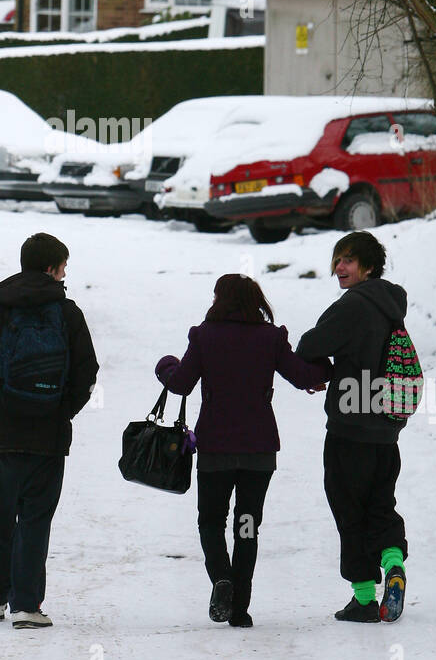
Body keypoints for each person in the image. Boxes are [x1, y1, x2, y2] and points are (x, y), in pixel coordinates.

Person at [155, 275, 329, 627]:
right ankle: (240, 608)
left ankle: (221, 578)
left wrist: (166, 365)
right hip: (259, 452)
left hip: (216, 450)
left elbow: (181, 383)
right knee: (247, 525)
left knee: (211, 521)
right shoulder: (270, 338)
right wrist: (325, 369)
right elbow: (302, 376)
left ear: (219, 299)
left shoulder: (204, 336)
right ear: (255, 301)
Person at [0, 232, 98, 629]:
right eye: (64, 267)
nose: (65, 275)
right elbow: (87, 372)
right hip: (49, 436)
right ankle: (26, 604)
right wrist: (61, 410)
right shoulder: (69, 314)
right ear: (53, 268)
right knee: (36, 518)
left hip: (3, 434)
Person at [295, 231, 409, 624]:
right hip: (386, 431)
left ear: (369, 266)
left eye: (348, 260)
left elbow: (309, 345)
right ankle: (394, 564)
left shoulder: (353, 306)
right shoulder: (392, 304)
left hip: (349, 429)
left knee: (349, 509)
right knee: (381, 504)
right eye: (337, 260)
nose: (339, 268)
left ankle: (363, 599)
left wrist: (324, 367)